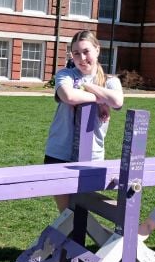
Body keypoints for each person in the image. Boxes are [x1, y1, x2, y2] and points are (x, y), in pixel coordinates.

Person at [44, 30, 124, 211]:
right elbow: (69, 96)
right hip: (59, 152)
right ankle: (71, 238)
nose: (82, 58)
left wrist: (87, 86)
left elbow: (118, 101)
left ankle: (79, 239)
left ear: (97, 50)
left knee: (83, 210)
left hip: (92, 155)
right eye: (76, 53)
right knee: (66, 213)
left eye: (86, 51)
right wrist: (100, 99)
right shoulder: (66, 75)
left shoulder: (110, 81)